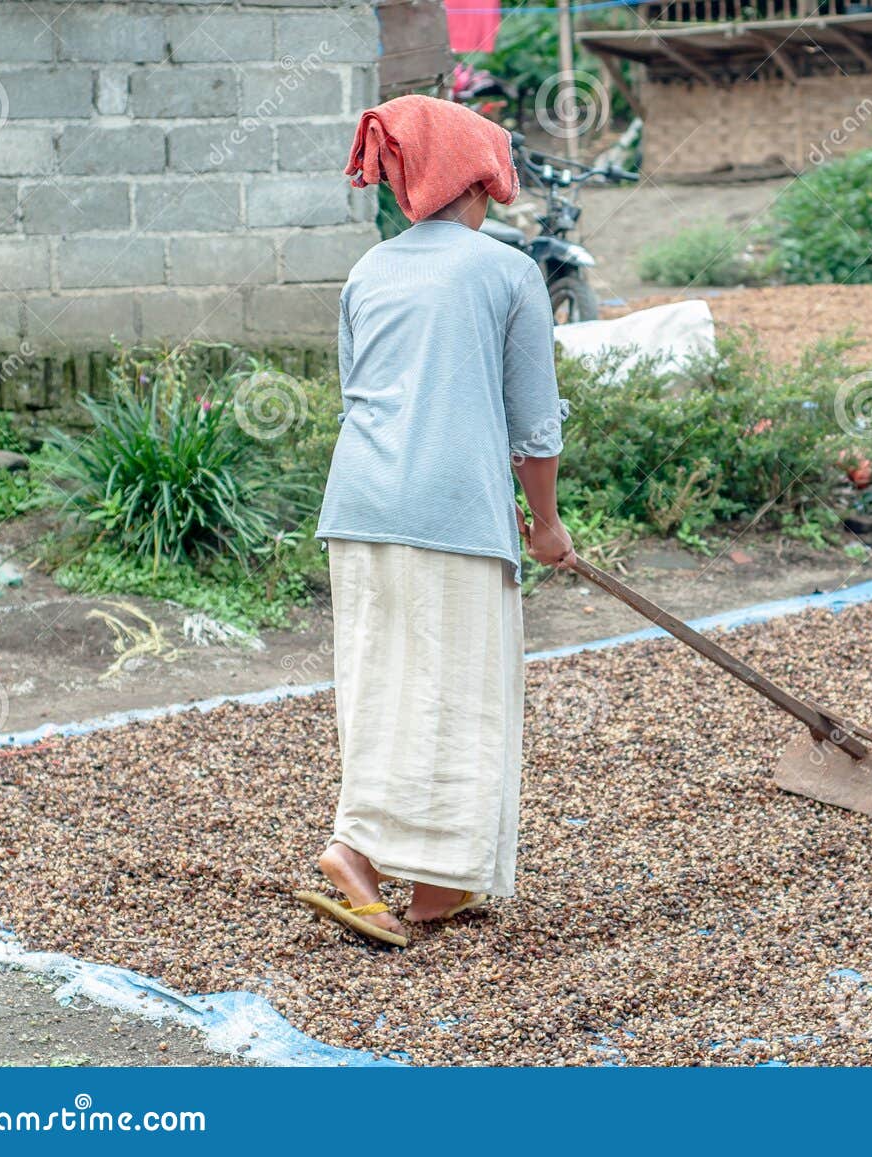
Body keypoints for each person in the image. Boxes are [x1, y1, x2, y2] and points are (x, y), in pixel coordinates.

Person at [295, 95, 574, 948]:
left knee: (384, 686)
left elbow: (361, 393)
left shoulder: (370, 270)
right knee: (461, 695)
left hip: (360, 506)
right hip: (453, 510)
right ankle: (358, 855)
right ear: (479, 182)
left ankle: (436, 884)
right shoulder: (506, 272)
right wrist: (548, 524)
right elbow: (533, 423)